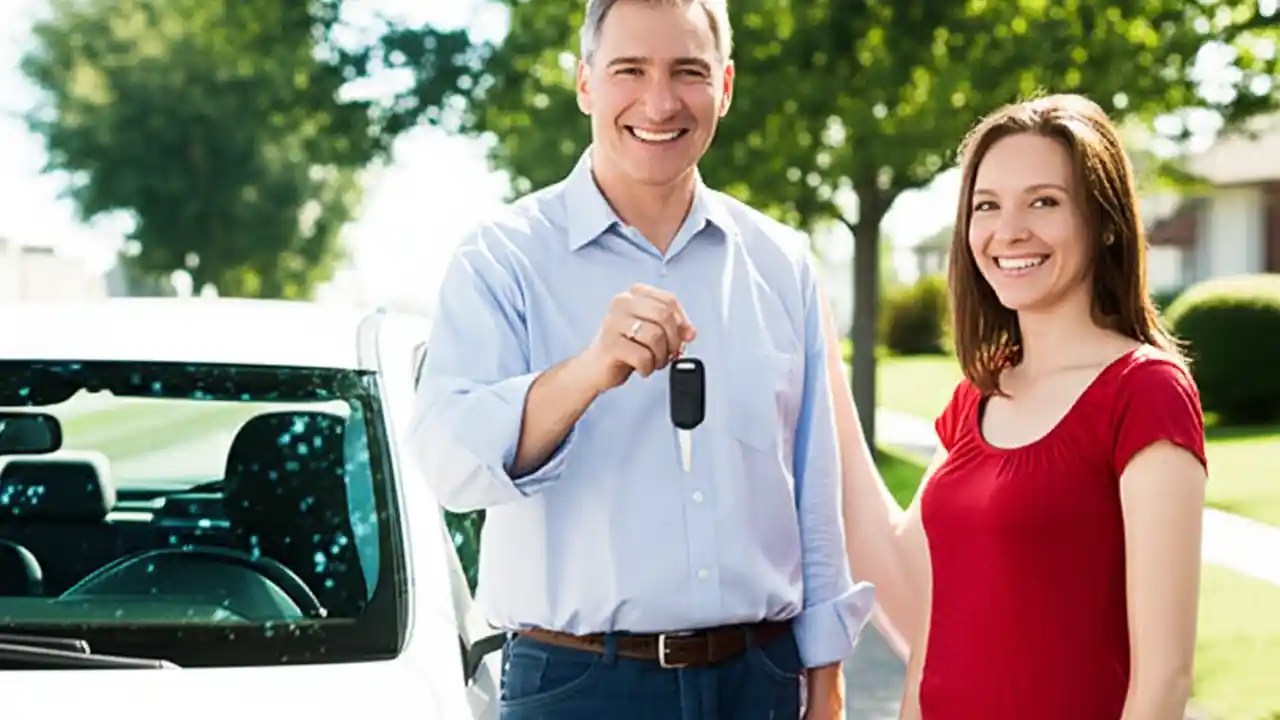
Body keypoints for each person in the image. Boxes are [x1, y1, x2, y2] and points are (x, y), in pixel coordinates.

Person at [408, 1, 873, 717]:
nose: (659, 102)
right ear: (586, 83)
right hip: (577, 684)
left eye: (687, 72)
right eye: (631, 70)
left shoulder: (781, 264)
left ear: (725, 85)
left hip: (762, 681)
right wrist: (588, 370)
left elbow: (813, 494)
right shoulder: (501, 259)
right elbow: (452, 466)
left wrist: (826, 675)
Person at [824, 93, 1209, 719]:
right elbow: (917, 601)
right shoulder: (978, 394)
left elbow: (1164, 677)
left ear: (1105, 220)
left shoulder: (1146, 392)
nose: (1010, 231)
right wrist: (821, 361)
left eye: (1044, 202)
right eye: (987, 206)